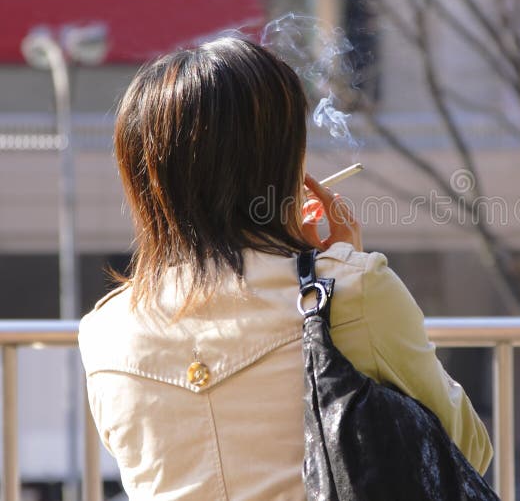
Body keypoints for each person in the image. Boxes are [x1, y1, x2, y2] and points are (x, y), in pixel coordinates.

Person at [78, 36, 493, 500]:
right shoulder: (354, 291)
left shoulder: (103, 331)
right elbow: (465, 448)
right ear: (278, 162)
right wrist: (342, 263)